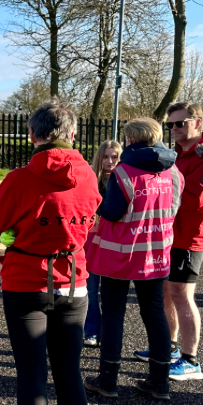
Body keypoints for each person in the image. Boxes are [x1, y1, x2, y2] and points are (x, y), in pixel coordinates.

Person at [0, 98, 101, 405]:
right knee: (69, 372)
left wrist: (21, 232)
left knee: (32, 373)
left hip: (28, 280)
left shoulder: (19, 179)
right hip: (74, 281)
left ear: (32, 134)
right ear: (72, 133)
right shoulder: (89, 175)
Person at [85, 119, 182, 401]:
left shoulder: (123, 172)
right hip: (156, 252)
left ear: (130, 140)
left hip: (121, 254)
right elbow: (172, 208)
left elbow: (113, 212)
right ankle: (159, 381)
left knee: (114, 313)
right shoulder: (174, 172)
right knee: (154, 313)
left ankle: (108, 379)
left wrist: (97, 199)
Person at [151, 102, 203, 381]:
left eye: (179, 123)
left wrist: (160, 192)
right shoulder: (180, 153)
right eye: (170, 124)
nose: (173, 129)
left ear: (197, 123)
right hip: (172, 234)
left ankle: (191, 360)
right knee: (166, 291)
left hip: (189, 236)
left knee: (181, 294)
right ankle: (171, 348)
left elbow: (195, 201)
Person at [82, 141, 122, 348]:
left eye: (114, 157)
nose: (109, 162)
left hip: (113, 242)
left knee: (109, 293)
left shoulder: (123, 180)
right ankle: (91, 330)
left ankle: (107, 332)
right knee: (90, 289)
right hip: (91, 240)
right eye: (106, 157)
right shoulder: (90, 179)